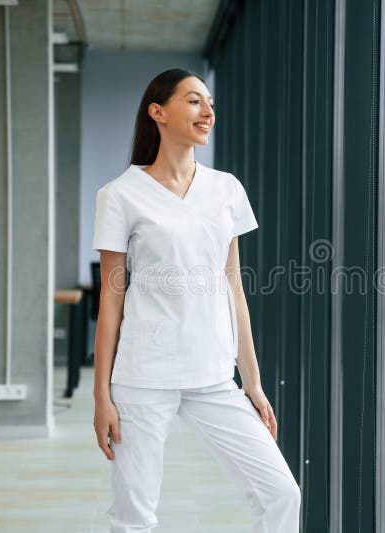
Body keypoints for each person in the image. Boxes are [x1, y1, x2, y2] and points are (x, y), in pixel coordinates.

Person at [91, 68, 301, 533]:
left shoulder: (225, 189)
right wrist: (101, 394)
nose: (208, 112)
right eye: (193, 101)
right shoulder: (120, 195)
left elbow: (234, 287)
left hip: (212, 375)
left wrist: (253, 381)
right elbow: (111, 301)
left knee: (283, 493)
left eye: (210, 104)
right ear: (158, 112)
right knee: (133, 516)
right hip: (144, 376)